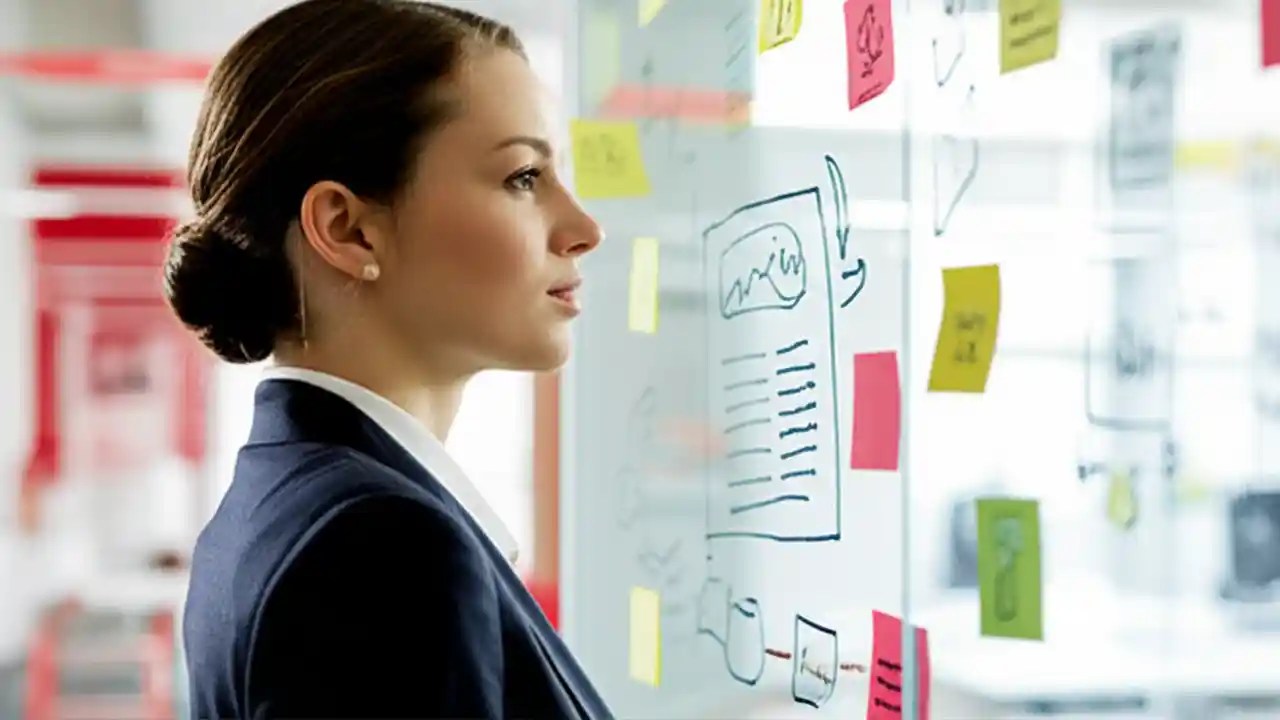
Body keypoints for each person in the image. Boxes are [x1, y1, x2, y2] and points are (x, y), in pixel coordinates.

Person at [164, 1, 608, 717]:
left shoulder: (282, 504)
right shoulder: (385, 546)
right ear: (349, 230)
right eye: (523, 177)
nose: (584, 228)